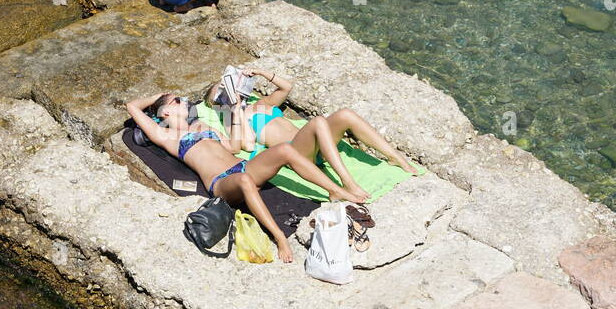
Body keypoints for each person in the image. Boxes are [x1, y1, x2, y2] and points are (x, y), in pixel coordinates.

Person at [126, 91, 363, 263]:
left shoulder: (202, 126)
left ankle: (336, 190)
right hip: (222, 182)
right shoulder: (165, 135)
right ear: (165, 111)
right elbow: (132, 106)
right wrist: (160, 96)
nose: (184, 101)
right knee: (244, 181)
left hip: (243, 165)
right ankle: (279, 237)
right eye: (177, 101)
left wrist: (236, 112)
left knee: (285, 150)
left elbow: (233, 146)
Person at [206, 66, 420, 203]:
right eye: (220, 93)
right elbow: (247, 146)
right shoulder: (233, 120)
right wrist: (236, 108)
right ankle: (346, 183)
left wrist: (261, 72)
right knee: (318, 122)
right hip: (299, 154)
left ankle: (396, 158)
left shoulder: (261, 104)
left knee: (345, 114)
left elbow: (286, 88)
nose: (226, 91)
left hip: (318, 141)